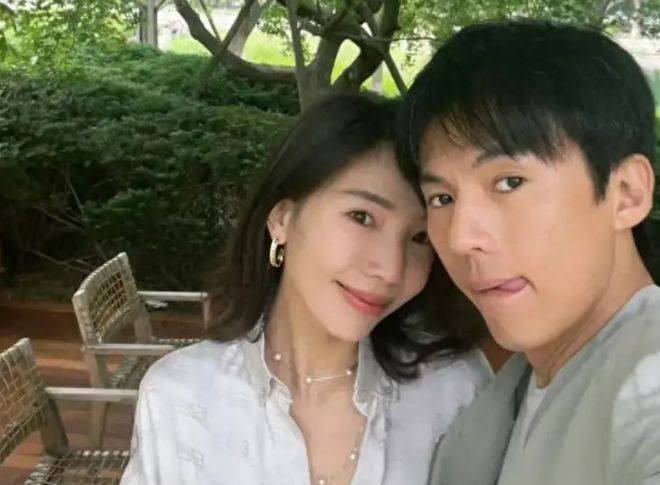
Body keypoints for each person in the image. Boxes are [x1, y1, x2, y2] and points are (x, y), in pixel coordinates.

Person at [120, 93, 492, 485]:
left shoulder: (454, 390)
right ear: (282, 219)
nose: (390, 269)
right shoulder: (180, 398)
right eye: (362, 217)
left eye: (420, 238)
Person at [398, 20, 660, 485]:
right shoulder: (491, 407)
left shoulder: (646, 385)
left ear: (626, 194)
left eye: (509, 182)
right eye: (442, 198)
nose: (460, 238)